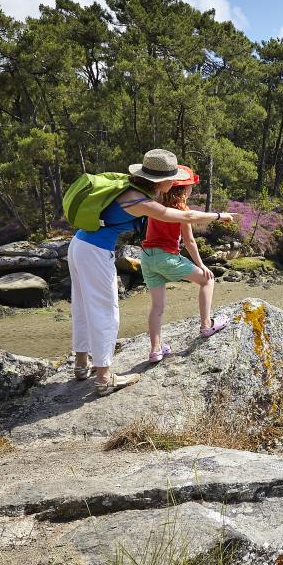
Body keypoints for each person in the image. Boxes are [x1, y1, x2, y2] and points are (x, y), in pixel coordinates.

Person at [67, 149, 234, 396]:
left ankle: (82, 365)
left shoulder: (130, 187)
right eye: (172, 177)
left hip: (79, 244)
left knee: (82, 305)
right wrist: (219, 215)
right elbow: (186, 216)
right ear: (161, 181)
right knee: (106, 311)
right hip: (95, 250)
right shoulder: (140, 201)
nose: (174, 182)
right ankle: (103, 378)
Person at [140, 169, 228, 363]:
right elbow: (189, 241)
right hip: (167, 258)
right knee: (207, 280)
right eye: (190, 187)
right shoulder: (181, 209)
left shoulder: (156, 205)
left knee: (157, 307)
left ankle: (155, 350)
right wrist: (202, 265)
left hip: (147, 258)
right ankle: (206, 325)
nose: (191, 190)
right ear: (184, 189)